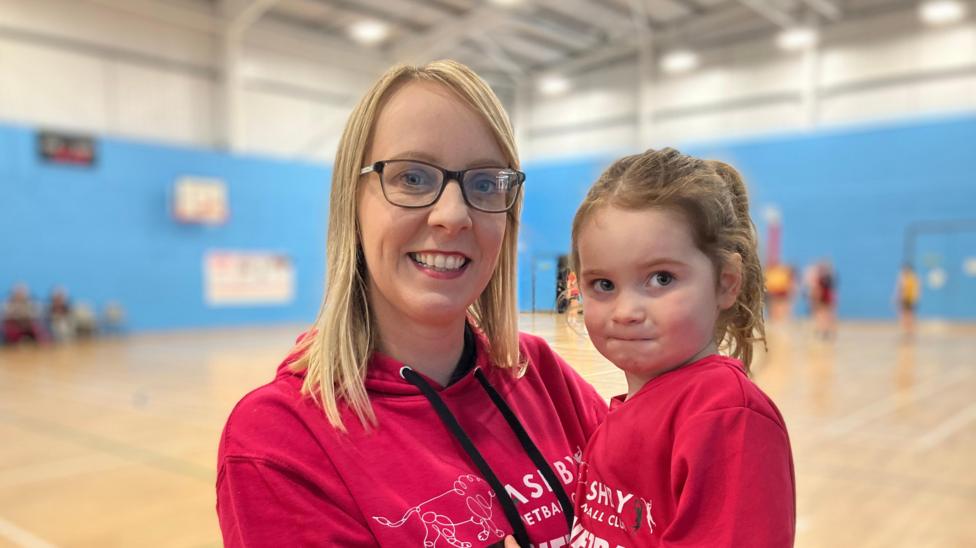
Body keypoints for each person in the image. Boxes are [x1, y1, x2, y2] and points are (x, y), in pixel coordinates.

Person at [216, 60, 608, 547]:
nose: (453, 215)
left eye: (485, 184)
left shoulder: (543, 377)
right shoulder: (280, 440)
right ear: (352, 201)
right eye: (413, 179)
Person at [564, 148, 795, 546]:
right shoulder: (630, 409)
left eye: (662, 279)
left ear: (726, 282)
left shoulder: (726, 417)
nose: (626, 311)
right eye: (603, 285)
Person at [895, 263, 920, 338]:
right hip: (904, 299)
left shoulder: (913, 278)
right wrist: (897, 298)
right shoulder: (903, 278)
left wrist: (915, 299)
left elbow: (916, 290)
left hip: (910, 299)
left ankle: (910, 331)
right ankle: (906, 331)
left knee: (910, 316)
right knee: (904, 315)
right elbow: (899, 289)